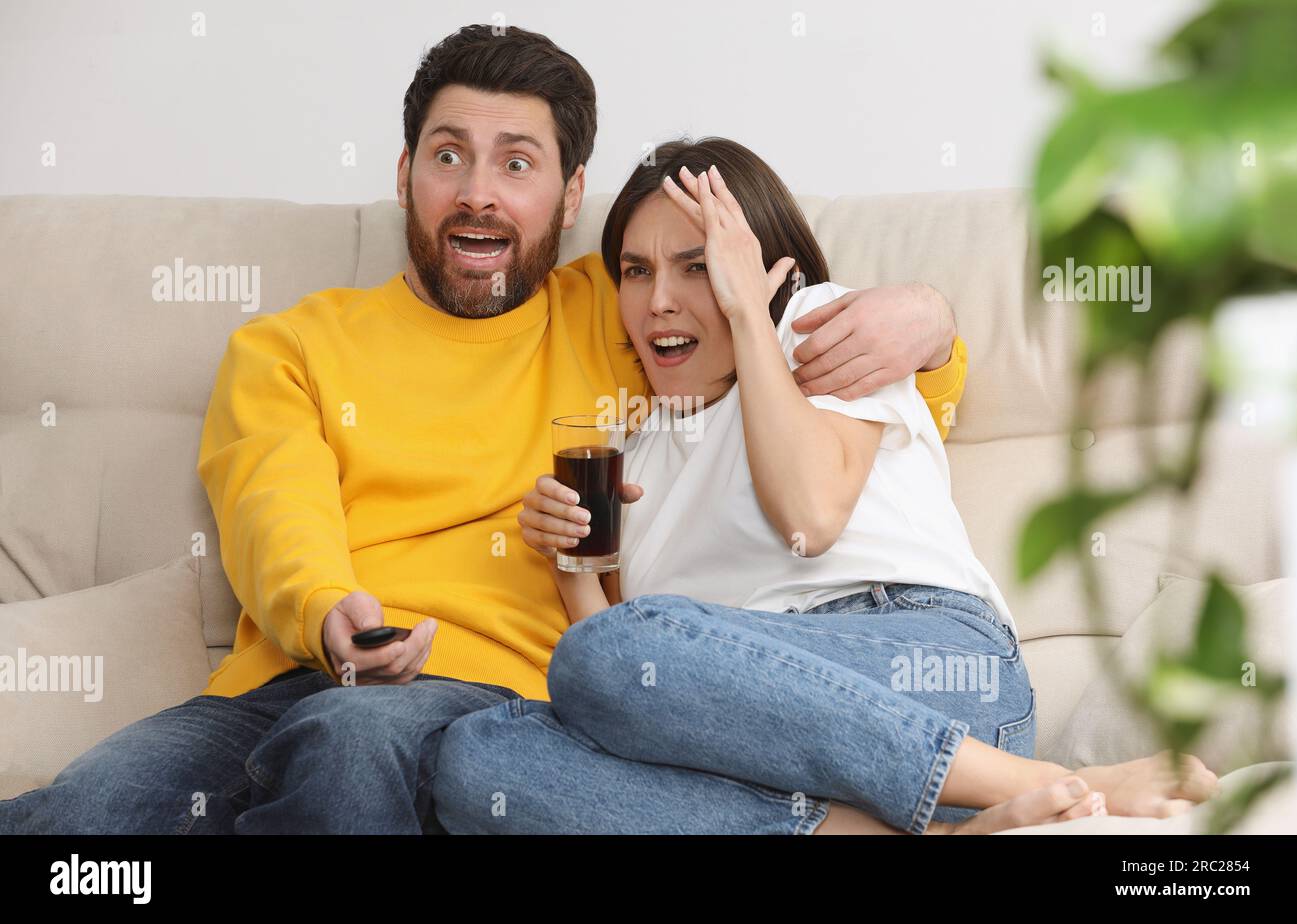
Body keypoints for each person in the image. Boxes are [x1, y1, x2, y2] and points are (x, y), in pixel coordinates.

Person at [0, 25, 971, 834]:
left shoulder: (627, 310)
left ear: (570, 195)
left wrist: (931, 324)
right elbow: (272, 503)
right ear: (405, 174)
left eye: (517, 163)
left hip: (499, 704)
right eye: (448, 156)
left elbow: (819, 378)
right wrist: (329, 611)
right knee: (84, 815)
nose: (478, 191)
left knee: (350, 750)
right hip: (294, 675)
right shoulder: (289, 347)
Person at [427, 138, 1221, 834]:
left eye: (698, 266)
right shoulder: (629, 453)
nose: (659, 300)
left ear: (757, 269)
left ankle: (1037, 782)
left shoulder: (821, 328)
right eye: (636, 272)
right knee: (478, 757)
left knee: (615, 648)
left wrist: (751, 315)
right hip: (787, 759)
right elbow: (627, 694)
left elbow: (810, 516)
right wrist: (572, 562)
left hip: (934, 677)